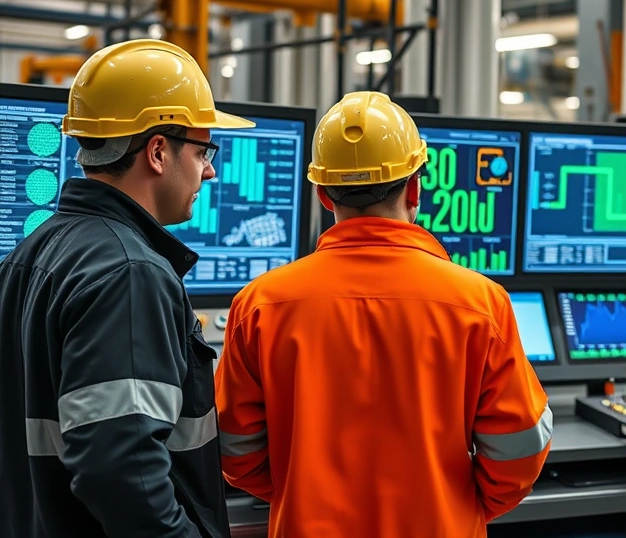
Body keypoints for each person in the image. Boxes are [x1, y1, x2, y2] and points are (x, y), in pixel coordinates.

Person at [215, 91, 552, 537]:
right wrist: (453, 507)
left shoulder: (258, 306)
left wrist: (305, 494)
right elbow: (520, 451)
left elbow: (235, 454)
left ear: (323, 194)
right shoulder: (480, 303)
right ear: (414, 188)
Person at [0, 39, 255, 537]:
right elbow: (122, 471)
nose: (210, 169)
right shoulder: (131, 272)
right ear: (158, 151)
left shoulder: (28, 255)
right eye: (203, 150)